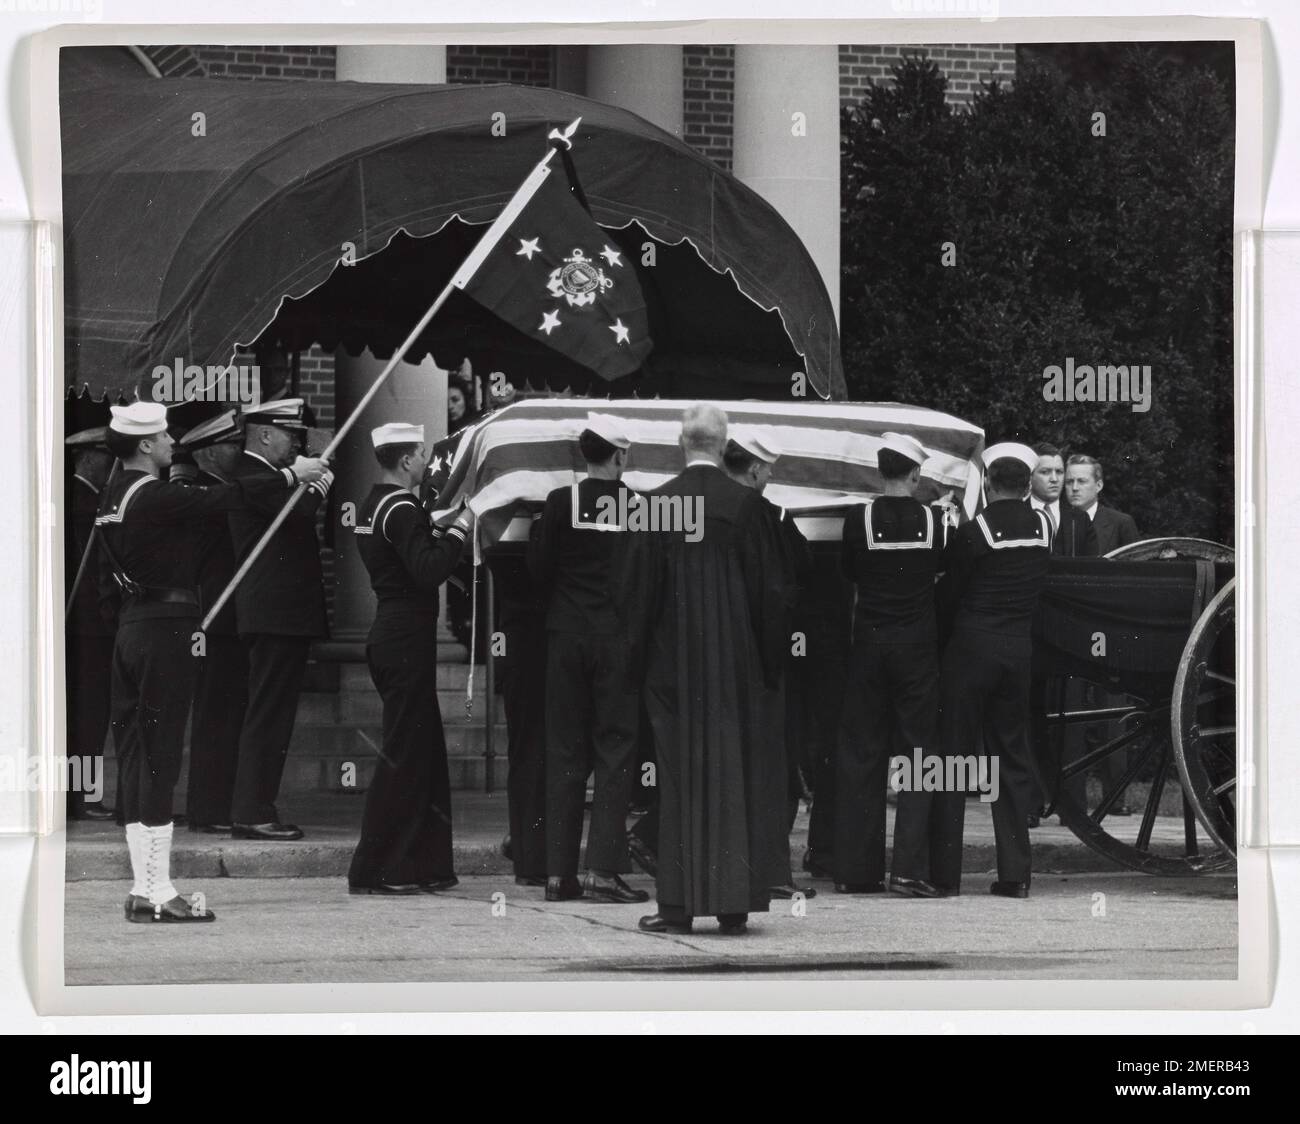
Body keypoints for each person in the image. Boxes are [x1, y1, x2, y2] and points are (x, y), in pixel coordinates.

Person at [96, 401, 328, 922]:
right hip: (164, 629)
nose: (170, 443)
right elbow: (229, 497)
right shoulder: (155, 496)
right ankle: (158, 892)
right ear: (144, 446)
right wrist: (294, 474)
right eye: (162, 437)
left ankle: (143, 886)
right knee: (159, 758)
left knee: (137, 756)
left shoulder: (116, 496)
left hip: (132, 628)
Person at [622, 405, 787, 935]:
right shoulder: (747, 505)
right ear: (723, 445)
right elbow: (769, 594)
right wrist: (769, 664)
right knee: (735, 777)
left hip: (670, 665)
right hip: (735, 664)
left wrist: (637, 660)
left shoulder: (655, 505)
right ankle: (734, 904)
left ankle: (676, 907)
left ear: (681, 443)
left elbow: (636, 594)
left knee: (675, 781)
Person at [527, 413, 648, 904]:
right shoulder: (641, 507)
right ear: (618, 456)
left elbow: (538, 568)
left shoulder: (560, 503)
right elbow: (647, 577)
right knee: (616, 752)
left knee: (565, 753)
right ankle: (602, 869)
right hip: (617, 641)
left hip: (566, 638)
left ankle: (559, 873)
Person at [348, 423, 473, 895]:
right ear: (406, 461)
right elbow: (428, 569)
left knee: (421, 752)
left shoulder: (376, 503)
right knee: (404, 755)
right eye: (422, 454)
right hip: (404, 637)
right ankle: (380, 868)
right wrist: (461, 528)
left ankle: (423, 863)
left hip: (395, 634)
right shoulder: (400, 508)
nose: (427, 461)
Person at [833, 432, 951, 899]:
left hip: (868, 646)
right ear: (917, 474)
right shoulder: (934, 520)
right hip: (917, 650)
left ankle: (855, 869)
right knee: (919, 755)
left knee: (861, 752)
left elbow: (849, 573)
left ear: (881, 471)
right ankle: (907, 869)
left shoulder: (856, 518)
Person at [931, 443, 1052, 899]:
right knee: (1012, 758)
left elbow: (950, 594)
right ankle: (1016, 874)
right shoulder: (1043, 526)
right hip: (1017, 651)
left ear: (989, 485)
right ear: (1025, 488)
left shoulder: (974, 530)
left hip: (971, 650)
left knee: (954, 756)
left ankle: (945, 874)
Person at [227, 398, 333, 841]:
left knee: (273, 713)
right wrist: (320, 480)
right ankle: (252, 810)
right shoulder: (254, 476)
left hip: (280, 616)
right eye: (291, 436)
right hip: (273, 615)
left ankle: (256, 805)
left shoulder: (270, 477)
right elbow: (300, 511)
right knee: (268, 714)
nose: (297, 446)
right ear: (265, 434)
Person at [722, 429, 816, 902]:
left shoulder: (711, 509)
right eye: (769, 468)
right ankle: (771, 871)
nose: (772, 475)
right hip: (762, 660)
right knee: (771, 769)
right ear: (756, 469)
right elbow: (790, 579)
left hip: (717, 657)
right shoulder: (770, 515)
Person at [176, 410, 247, 834]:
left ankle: (211, 804)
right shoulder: (206, 494)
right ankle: (208, 809)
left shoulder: (214, 490)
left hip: (221, 619)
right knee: (216, 715)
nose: (237, 451)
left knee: (220, 714)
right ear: (210, 452)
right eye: (231, 445)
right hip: (214, 619)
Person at [64, 426, 117, 822]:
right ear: (88, 458)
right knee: (89, 709)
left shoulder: (89, 500)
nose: (112, 464)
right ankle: (82, 795)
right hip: (86, 624)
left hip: (86, 623)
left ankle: (81, 794)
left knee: (91, 709)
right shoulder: (82, 504)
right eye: (106, 456)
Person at [1030, 443, 1097, 558]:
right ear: (1030, 476)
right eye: (1045, 472)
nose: (1054, 479)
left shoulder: (1080, 519)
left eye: (1059, 472)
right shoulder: (1018, 514)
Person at [1065, 455, 1140, 556]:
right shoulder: (1057, 521)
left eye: (1082, 481)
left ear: (1098, 486)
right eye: (1069, 482)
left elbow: (1136, 567)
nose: (1074, 488)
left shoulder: (1121, 523)